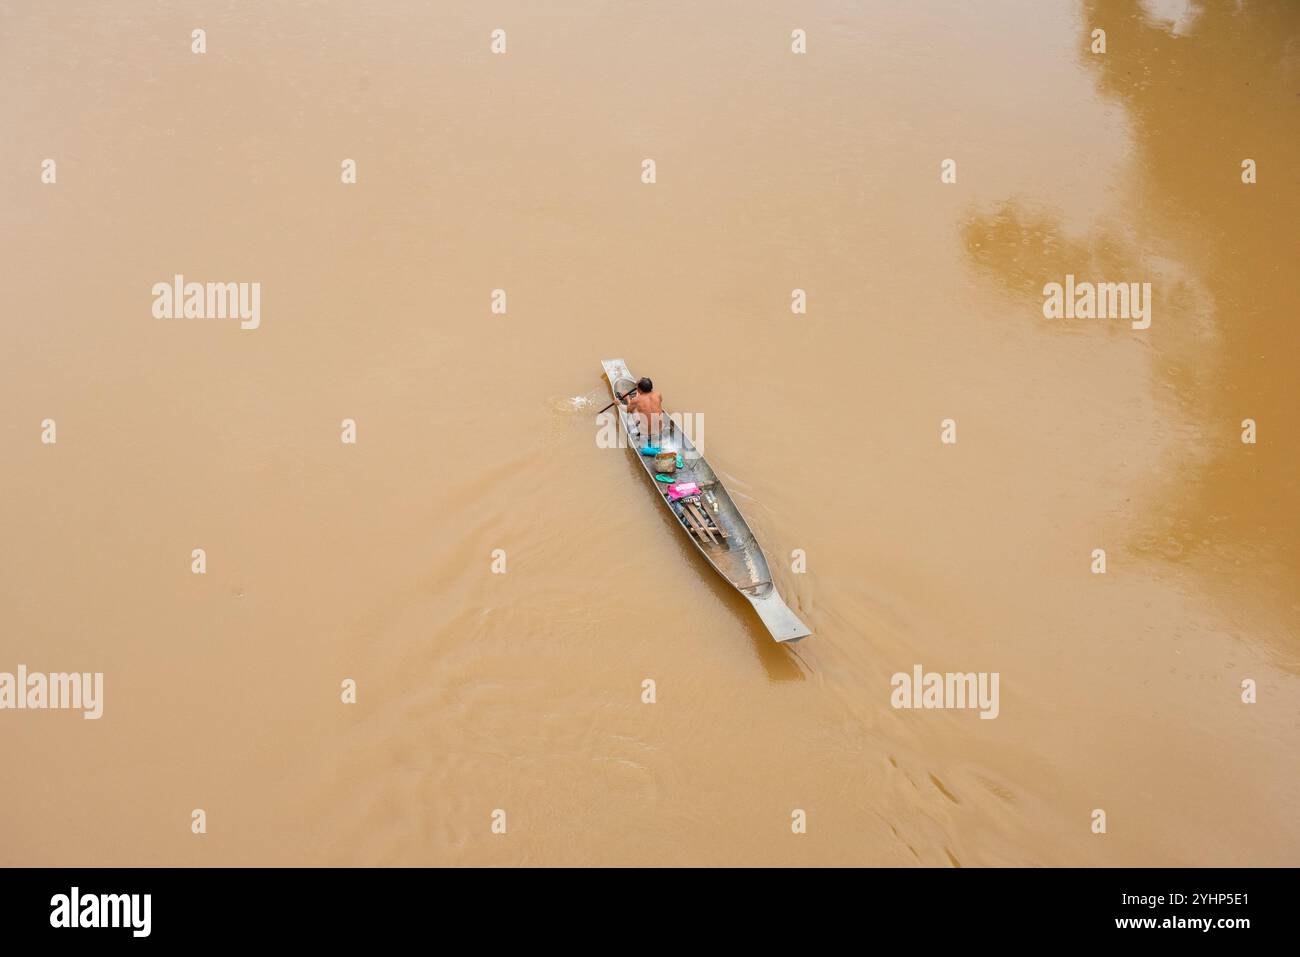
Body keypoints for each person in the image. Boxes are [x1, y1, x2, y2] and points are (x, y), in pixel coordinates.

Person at [624, 376, 664, 445]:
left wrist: (627, 398)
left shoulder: (636, 400)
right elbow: (650, 400)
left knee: (634, 409)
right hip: (659, 430)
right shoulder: (658, 394)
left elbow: (628, 410)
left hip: (646, 434)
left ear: (639, 390)